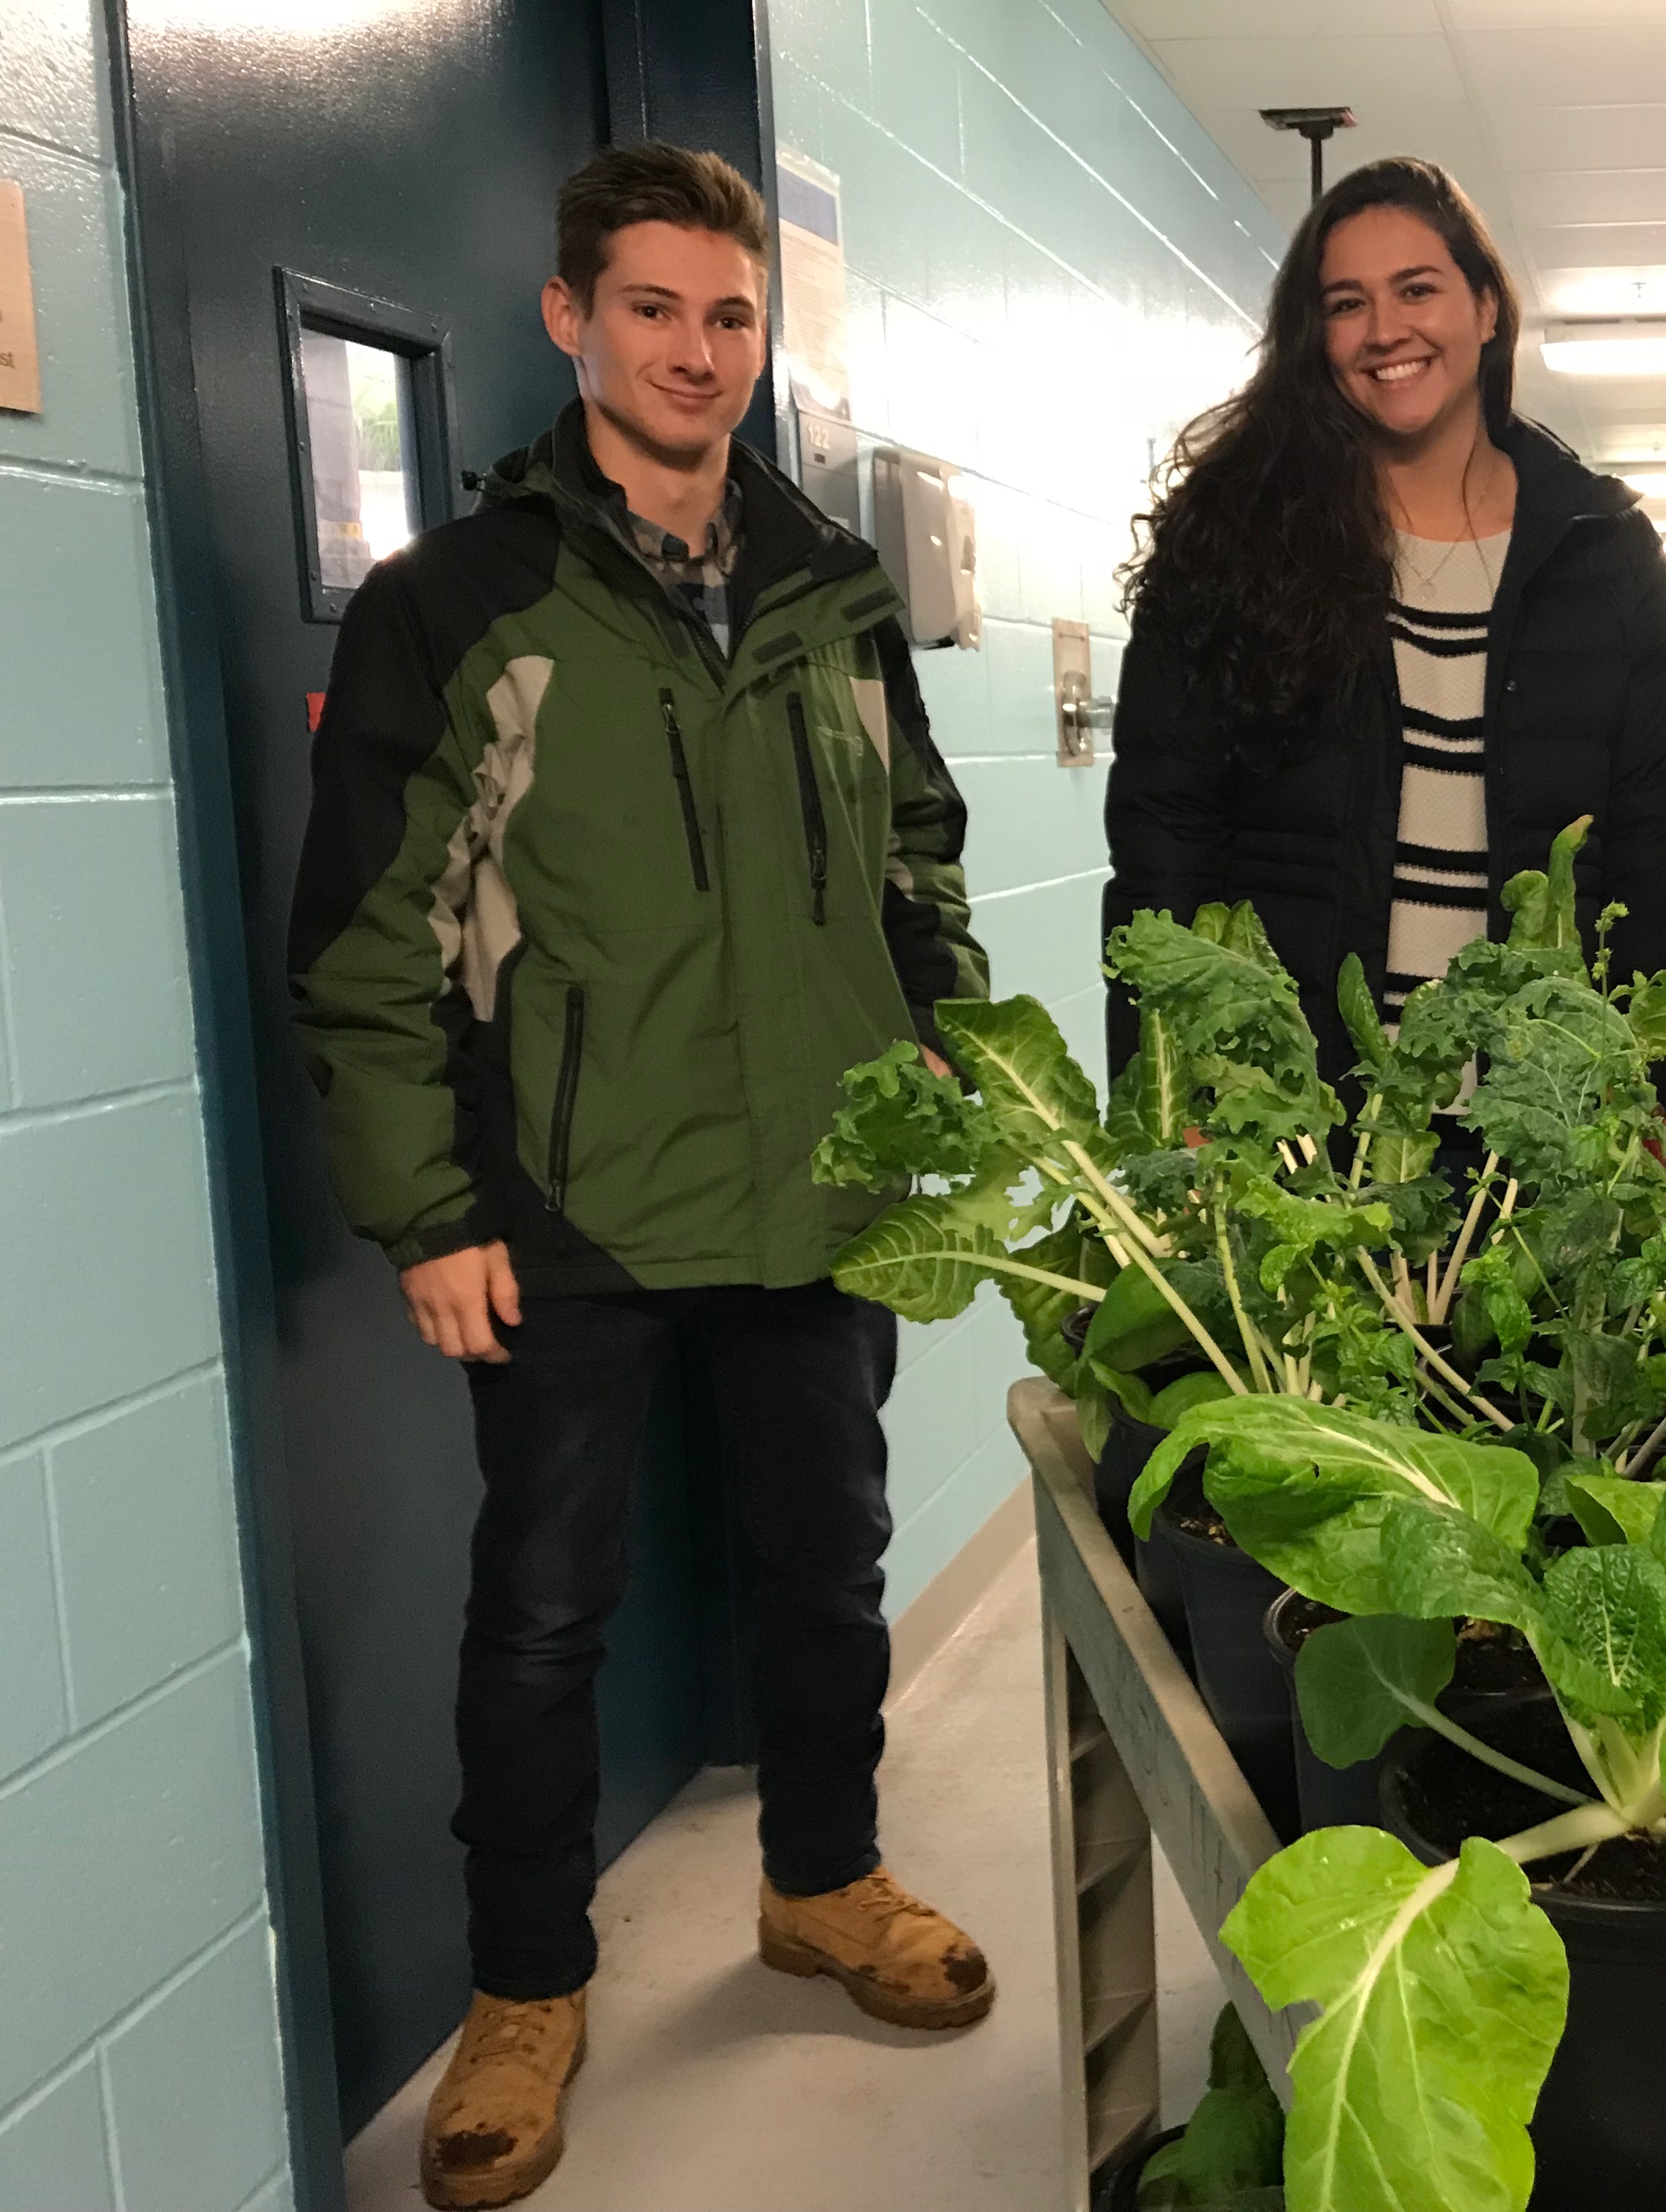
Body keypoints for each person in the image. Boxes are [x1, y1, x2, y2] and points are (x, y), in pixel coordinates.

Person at [290, 144, 995, 2211]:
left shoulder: (834, 585)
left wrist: (938, 1049)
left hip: (821, 1184)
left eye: (731, 314)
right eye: (656, 308)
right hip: (568, 1202)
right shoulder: (458, 602)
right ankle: (525, 1992)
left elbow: (920, 848)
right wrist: (426, 1212)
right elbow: (371, 937)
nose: (698, 352)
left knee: (828, 1569)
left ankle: (824, 1883)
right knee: (540, 1615)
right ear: (570, 319)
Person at [1105, 156, 1666, 1073]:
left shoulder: (1609, 559)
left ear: (1487, 308)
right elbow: (1165, 843)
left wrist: (1653, 1088)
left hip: (1544, 1115)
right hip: (1299, 1111)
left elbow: (1663, 853)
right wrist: (1169, 1084)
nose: (1385, 331)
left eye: (1417, 289)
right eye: (1347, 304)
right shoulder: (1233, 547)